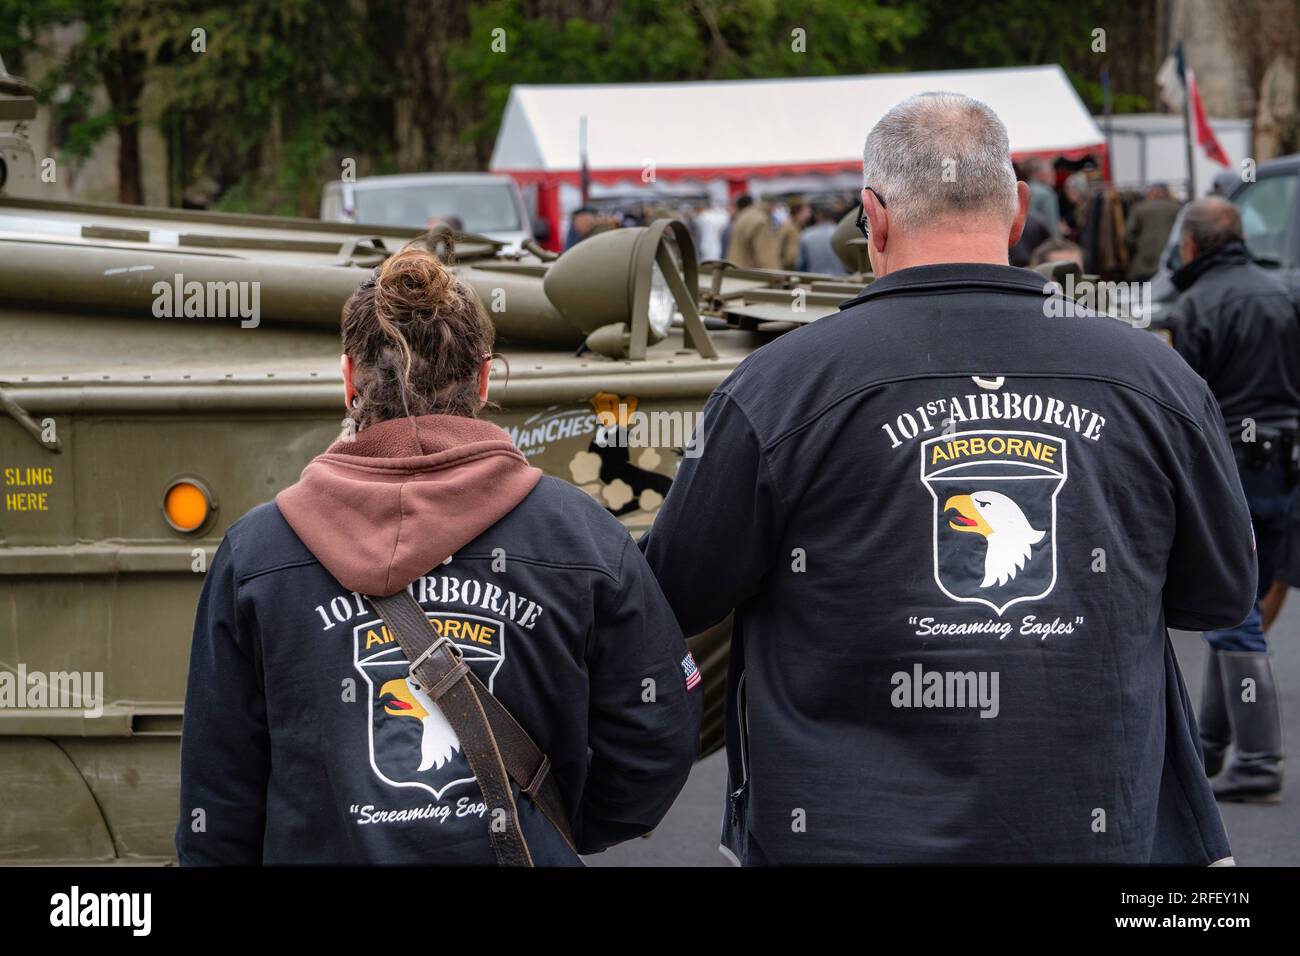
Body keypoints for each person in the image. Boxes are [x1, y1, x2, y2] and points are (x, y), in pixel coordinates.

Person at [641, 92, 1254, 865]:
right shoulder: (1156, 378)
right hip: (1101, 833)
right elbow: (1220, 594)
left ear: (875, 215)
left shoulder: (776, 388)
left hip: (841, 834)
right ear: (1020, 211)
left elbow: (674, 595)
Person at [176, 246, 702, 865]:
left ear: (348, 381)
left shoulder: (257, 554)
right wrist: (558, 825)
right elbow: (658, 728)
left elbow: (217, 794)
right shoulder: (582, 537)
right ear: (483, 380)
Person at [1167, 197, 1299, 803]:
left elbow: (1181, 408)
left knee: (1237, 614)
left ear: (1192, 246)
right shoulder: (1282, 292)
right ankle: (1212, 745)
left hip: (1236, 472)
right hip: (1288, 470)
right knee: (1241, 607)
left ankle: (1260, 761)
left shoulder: (1194, 306)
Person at [1125, 183, 1181, 281]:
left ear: (1151, 192)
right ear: (1166, 192)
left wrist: (1138, 248)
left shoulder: (1140, 208)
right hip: (1169, 266)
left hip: (1144, 263)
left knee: (1143, 294)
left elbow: (1128, 237)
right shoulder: (1177, 208)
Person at [726, 193, 781, 269]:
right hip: (750, 274)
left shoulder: (744, 215)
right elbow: (766, 256)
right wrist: (776, 277)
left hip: (736, 271)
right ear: (772, 205)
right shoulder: (761, 220)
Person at [798, 204, 848, 275]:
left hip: (815, 281)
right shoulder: (843, 233)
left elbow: (801, 266)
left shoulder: (806, 234)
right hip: (842, 282)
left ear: (818, 216)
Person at [1024, 157, 1062, 237]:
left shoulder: (1023, 190)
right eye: (1051, 172)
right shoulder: (1047, 194)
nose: (1054, 175)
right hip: (1042, 241)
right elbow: (1051, 226)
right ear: (1040, 174)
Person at [777, 198, 810, 270]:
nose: (808, 215)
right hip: (789, 270)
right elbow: (791, 258)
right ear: (798, 212)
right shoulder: (791, 229)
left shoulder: (794, 226)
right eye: (806, 211)